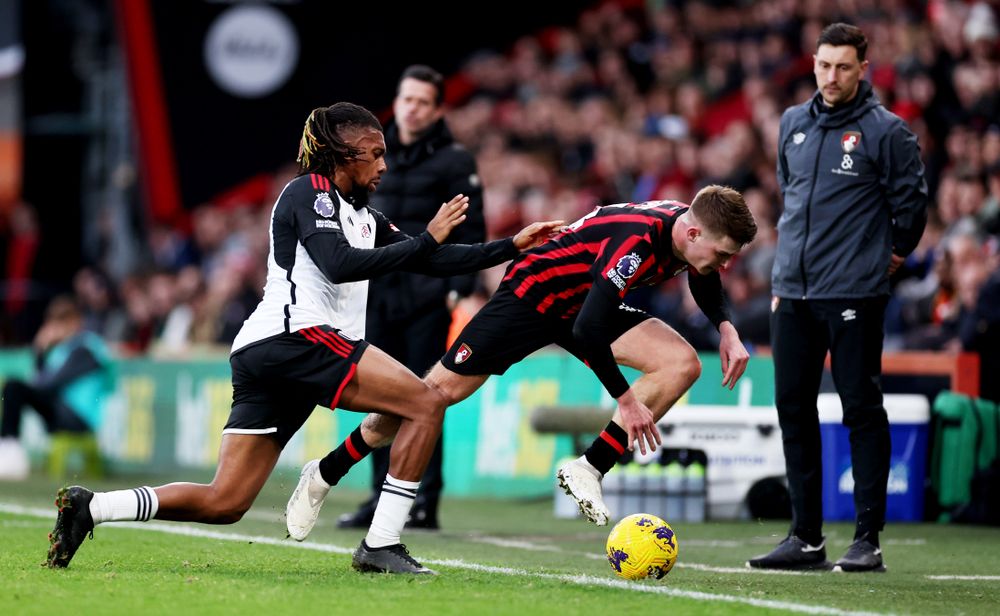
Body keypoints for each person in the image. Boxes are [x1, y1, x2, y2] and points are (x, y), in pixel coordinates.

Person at [45, 102, 562, 574]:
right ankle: (379, 542)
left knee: (226, 501)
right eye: (374, 154)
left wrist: (510, 247)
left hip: (271, 351)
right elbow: (338, 265)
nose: (384, 165)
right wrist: (427, 238)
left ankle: (94, 507)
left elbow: (431, 259)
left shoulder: (365, 215)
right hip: (298, 337)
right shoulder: (308, 192)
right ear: (341, 155)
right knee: (426, 405)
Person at [285, 184, 758, 541]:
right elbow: (590, 332)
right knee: (430, 397)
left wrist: (725, 327)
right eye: (721, 254)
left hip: (583, 304)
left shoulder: (687, 232)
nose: (723, 265)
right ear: (693, 231)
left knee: (680, 363)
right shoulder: (637, 244)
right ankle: (325, 471)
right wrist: (627, 399)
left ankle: (589, 468)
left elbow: (701, 274)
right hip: (529, 300)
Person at [748, 23, 928, 573]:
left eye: (843, 67)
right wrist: (783, 280)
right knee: (793, 410)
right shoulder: (791, 124)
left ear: (862, 69)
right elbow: (790, 197)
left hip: (854, 293)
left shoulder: (887, 132)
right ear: (813, 63)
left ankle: (866, 539)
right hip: (793, 293)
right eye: (824, 65)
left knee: (860, 409)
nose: (831, 76)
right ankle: (805, 537)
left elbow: (912, 210)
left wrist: (889, 260)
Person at [335, 65, 485, 531]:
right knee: (377, 399)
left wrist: (458, 289)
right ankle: (379, 498)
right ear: (396, 102)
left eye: (422, 101)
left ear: (438, 108)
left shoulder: (455, 160)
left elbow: (472, 227)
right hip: (375, 294)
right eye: (406, 99)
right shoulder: (373, 151)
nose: (412, 108)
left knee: (424, 398)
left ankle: (422, 500)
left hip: (425, 298)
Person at [0, 296, 113, 480]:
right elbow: (40, 379)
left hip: (78, 418)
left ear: (75, 322)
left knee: (14, 387)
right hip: (61, 411)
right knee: (14, 388)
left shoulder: (85, 349)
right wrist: (40, 351)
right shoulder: (63, 349)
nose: (55, 329)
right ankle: (8, 448)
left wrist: (40, 351)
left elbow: (48, 384)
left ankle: (11, 451)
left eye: (61, 323)